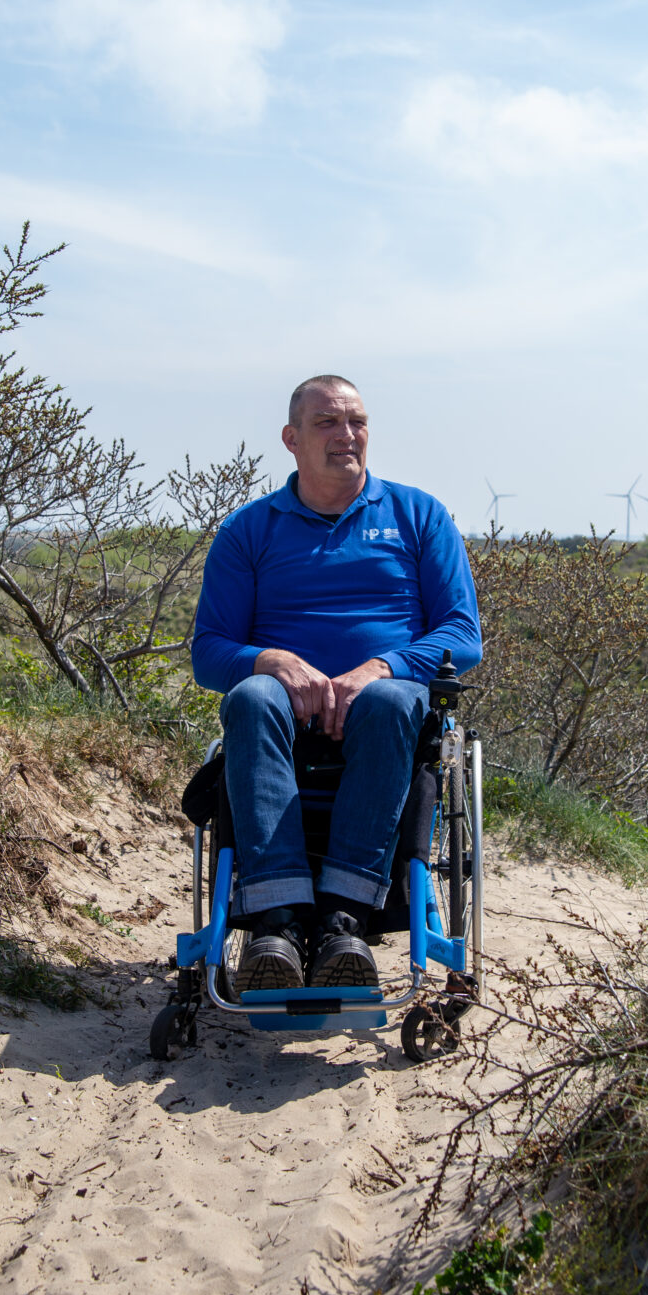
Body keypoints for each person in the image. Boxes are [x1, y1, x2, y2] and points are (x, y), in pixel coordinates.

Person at [191, 375, 481, 994]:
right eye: (327, 422)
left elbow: (463, 634)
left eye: (357, 422)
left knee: (391, 699)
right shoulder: (248, 530)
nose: (346, 434)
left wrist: (382, 666)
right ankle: (277, 922)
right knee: (251, 695)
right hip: (282, 716)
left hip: (387, 711)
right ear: (291, 438)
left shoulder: (419, 515)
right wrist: (270, 660)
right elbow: (209, 653)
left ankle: (343, 921)